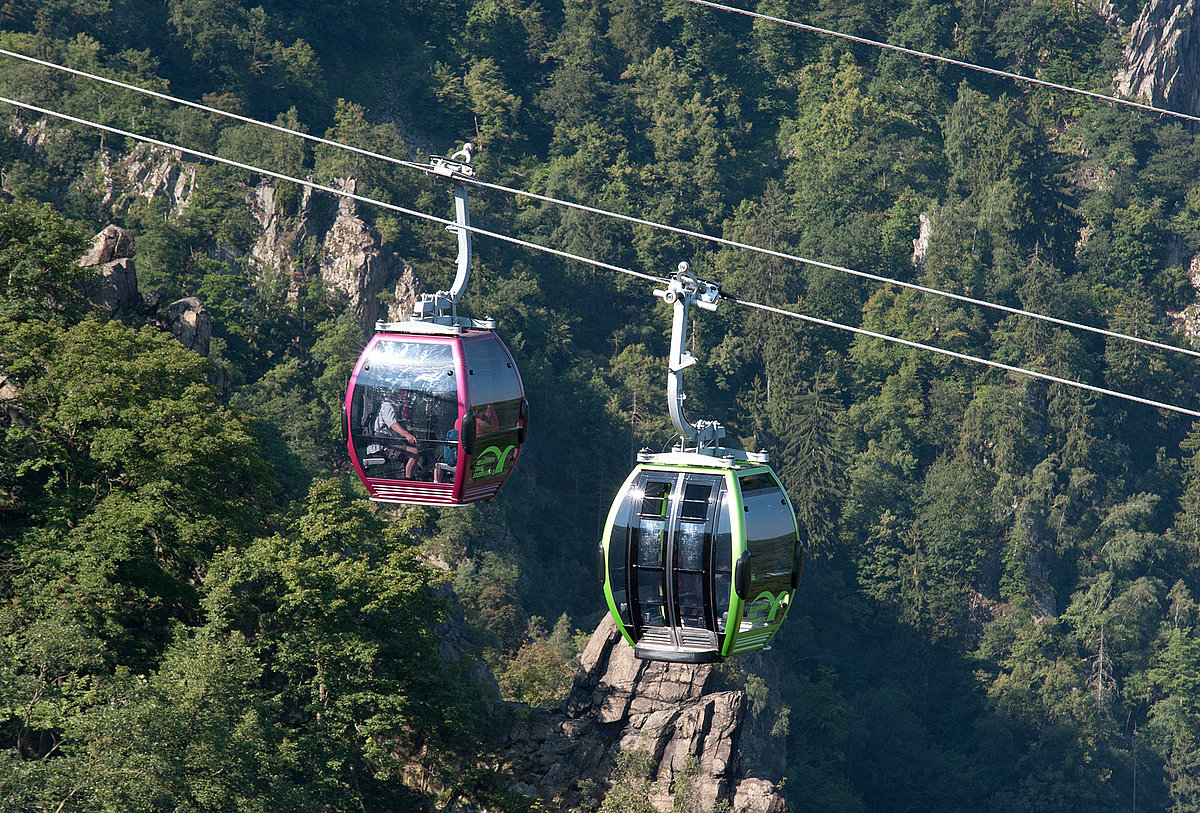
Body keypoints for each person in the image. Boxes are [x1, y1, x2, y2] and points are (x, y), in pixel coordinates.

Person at [373, 393, 419, 479]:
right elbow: (393, 424)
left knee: (406, 449)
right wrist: (407, 435)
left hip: (386, 442)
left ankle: (403, 475)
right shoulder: (388, 406)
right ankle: (408, 479)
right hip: (383, 444)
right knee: (414, 452)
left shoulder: (385, 405)